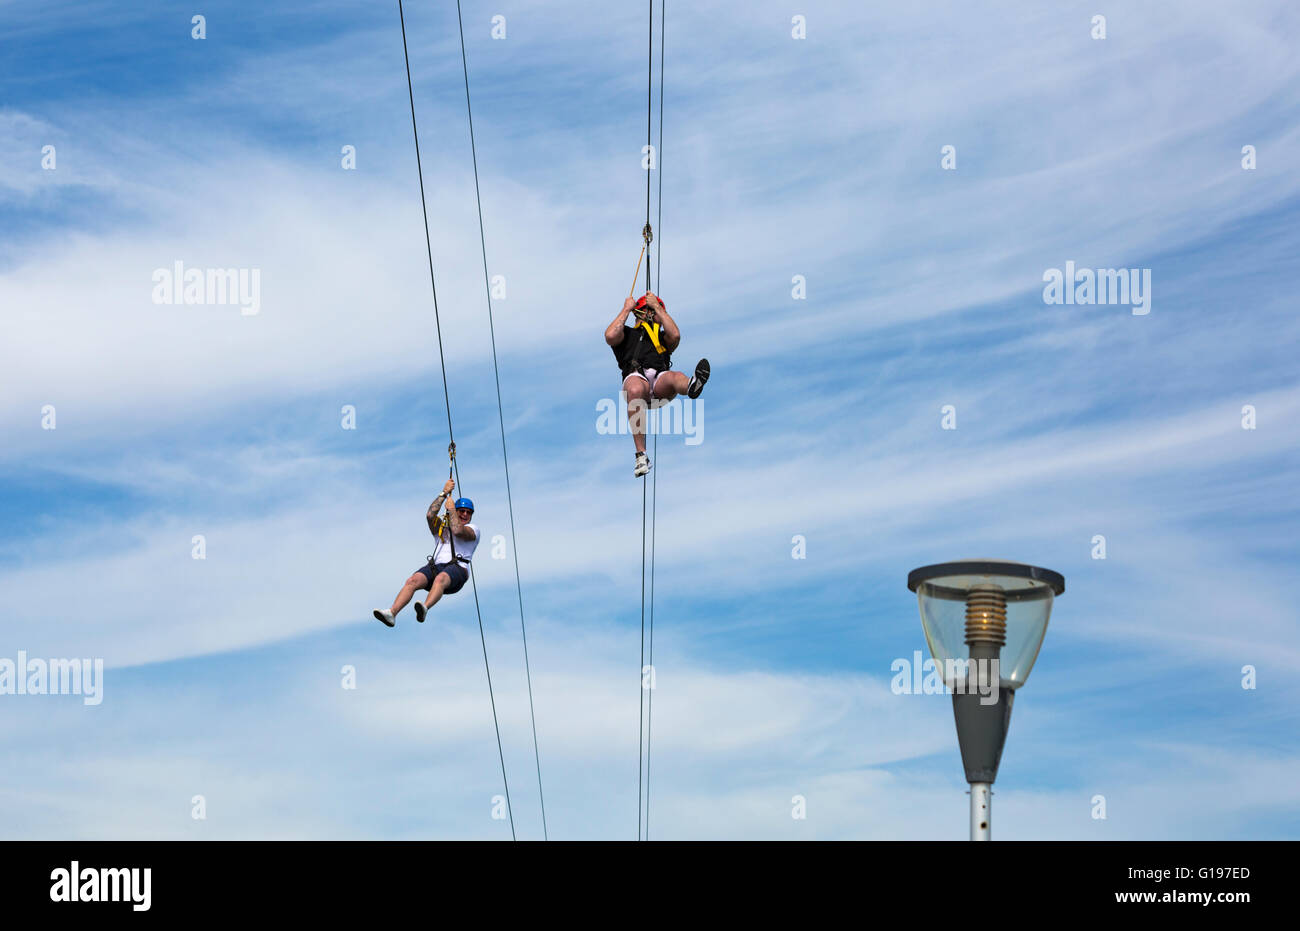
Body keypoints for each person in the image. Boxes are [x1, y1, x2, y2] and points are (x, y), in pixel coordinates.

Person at [604, 291, 709, 476]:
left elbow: (675, 335)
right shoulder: (626, 335)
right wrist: (626, 309)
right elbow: (610, 336)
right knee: (636, 388)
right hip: (637, 383)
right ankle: (641, 455)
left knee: (675, 376)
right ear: (640, 312)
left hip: (660, 384)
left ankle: (692, 385)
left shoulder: (663, 339)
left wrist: (658, 307)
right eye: (649, 311)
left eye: (655, 312)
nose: (653, 315)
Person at [374, 479, 478, 627]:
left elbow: (458, 530)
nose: (465, 514)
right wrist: (443, 494)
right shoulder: (442, 529)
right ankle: (392, 613)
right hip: (437, 566)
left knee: (440, 578)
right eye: (462, 511)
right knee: (412, 580)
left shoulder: (473, 530)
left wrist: (452, 511)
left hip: (458, 569)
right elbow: (430, 515)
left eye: (468, 512)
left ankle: (425, 607)